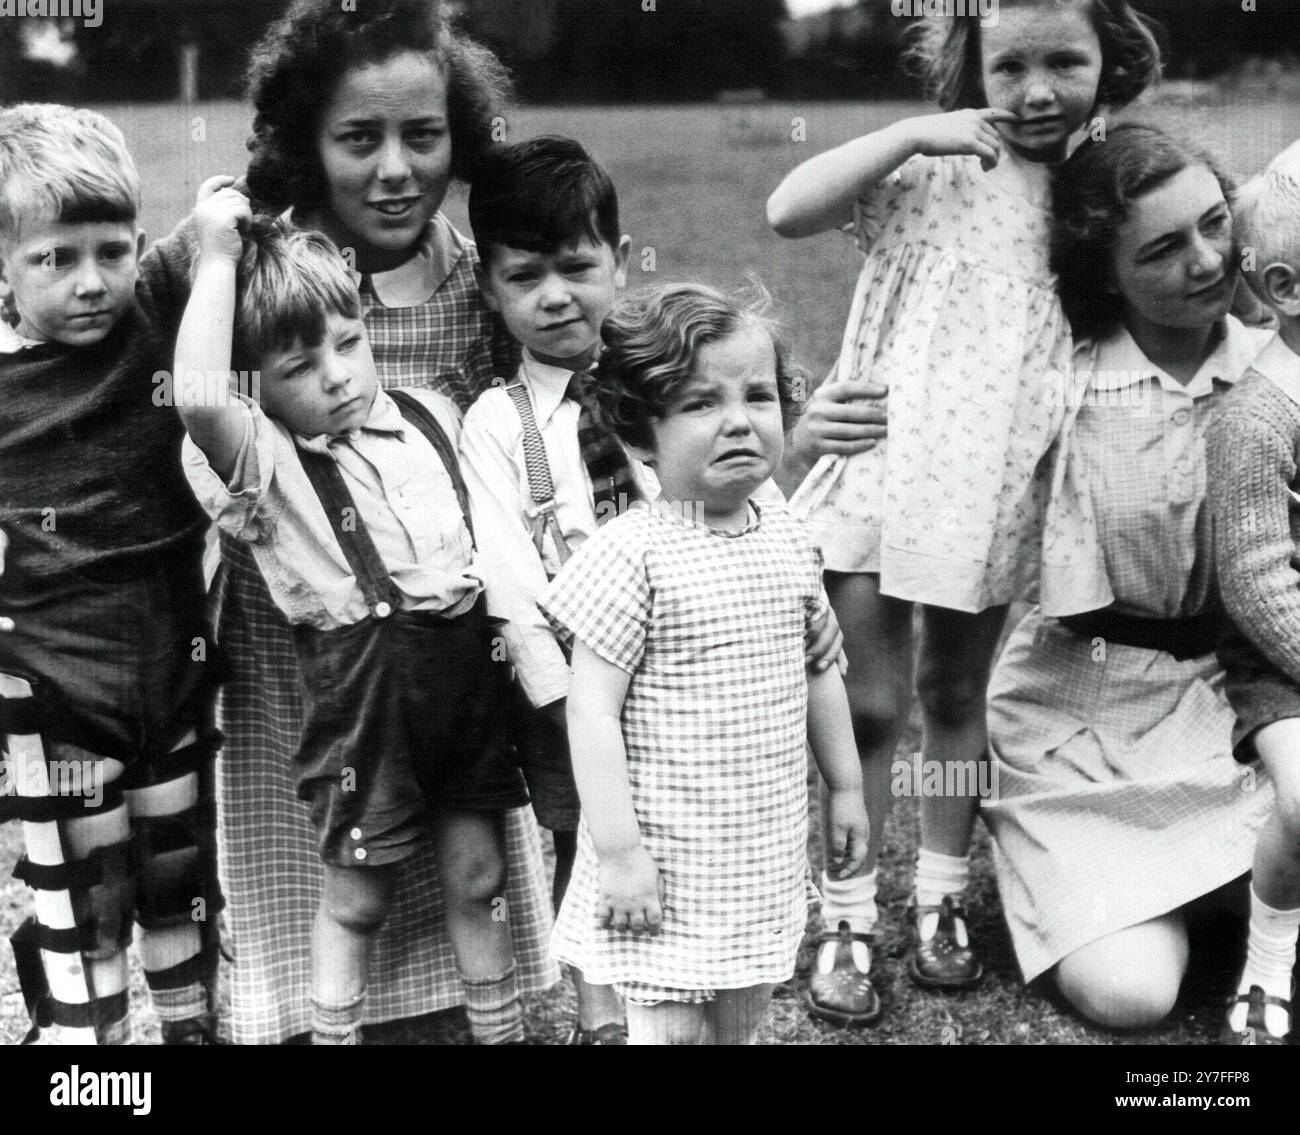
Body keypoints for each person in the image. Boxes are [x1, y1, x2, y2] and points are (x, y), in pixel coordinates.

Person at [143, 0, 559, 1043]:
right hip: (299, 639)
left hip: (447, 643)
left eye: (423, 135)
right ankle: (310, 1013)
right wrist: (216, 249)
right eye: (357, 138)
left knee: (463, 857)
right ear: (303, 142)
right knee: (326, 857)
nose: (394, 168)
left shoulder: (474, 274)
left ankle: (469, 1008)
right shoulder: (264, 270)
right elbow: (161, 357)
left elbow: (558, 393)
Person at [764, 0, 1162, 1023]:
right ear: (966, 70)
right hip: (882, 462)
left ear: (1108, 63)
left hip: (992, 484)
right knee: (865, 702)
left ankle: (941, 895)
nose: (1035, 89)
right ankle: (845, 912)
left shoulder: (1103, 192)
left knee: (954, 691)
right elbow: (786, 211)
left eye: (1063, 61)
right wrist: (906, 132)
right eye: (1009, 64)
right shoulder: (934, 167)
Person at [983, 123, 1273, 1031]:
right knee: (1132, 995)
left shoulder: (1281, 367)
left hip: (1242, 697)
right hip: (1081, 712)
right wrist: (819, 423)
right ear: (1106, 273)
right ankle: (1170, 887)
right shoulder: (1054, 380)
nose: (1207, 259)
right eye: (1164, 247)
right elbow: (917, 459)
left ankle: (1221, 891)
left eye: (1216, 225)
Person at [537, 282, 870, 1045]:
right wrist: (620, 851)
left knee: (742, 1018)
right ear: (641, 431)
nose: (738, 422)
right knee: (672, 1029)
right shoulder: (634, 552)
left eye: (757, 395)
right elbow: (590, 710)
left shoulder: (787, 533)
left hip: (755, 846)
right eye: (698, 403)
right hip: (664, 853)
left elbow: (819, 667)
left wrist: (846, 785)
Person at [0, 104, 223, 1044]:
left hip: (173, 676)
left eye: (112, 249)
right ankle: (86, 1062)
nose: (93, 283)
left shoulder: (159, 296)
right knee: (88, 910)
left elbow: (233, 208)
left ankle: (189, 1033)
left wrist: (217, 227)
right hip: (57, 701)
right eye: (56, 258)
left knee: (178, 892)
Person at [459, 136, 633, 1045]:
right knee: (586, 840)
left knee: (677, 819)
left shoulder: (661, 381)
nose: (557, 294)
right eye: (527, 277)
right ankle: (599, 1009)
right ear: (490, 288)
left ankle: (682, 978)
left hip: (675, 663)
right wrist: (563, 694)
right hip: (566, 680)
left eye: (577, 266)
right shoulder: (497, 421)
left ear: (621, 261)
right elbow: (506, 569)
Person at [1207, 138, 1300, 1045]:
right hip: (1282, 659)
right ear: (1287, 288)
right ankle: (1268, 967)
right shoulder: (1259, 414)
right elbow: (1256, 576)